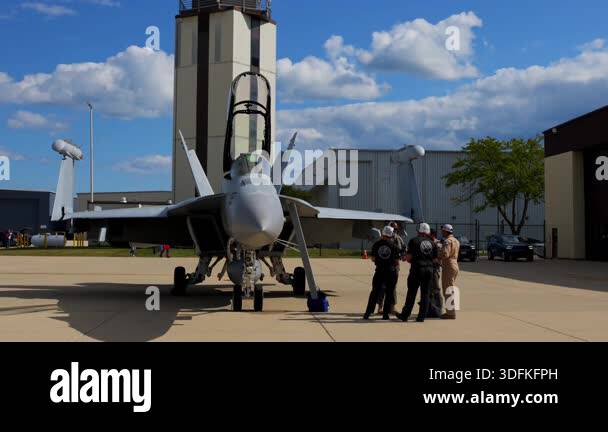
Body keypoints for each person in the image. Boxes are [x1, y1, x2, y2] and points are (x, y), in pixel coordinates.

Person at [396, 223, 438, 323]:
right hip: (429, 270)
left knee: (411, 292)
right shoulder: (433, 243)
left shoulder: (414, 241)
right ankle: (421, 317)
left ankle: (405, 315)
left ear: (418, 231)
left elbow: (409, 258)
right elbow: (435, 260)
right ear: (427, 232)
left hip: (417, 269)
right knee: (425, 294)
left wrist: (410, 259)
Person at [364, 226, 401, 321]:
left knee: (375, 292)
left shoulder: (376, 244)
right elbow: (397, 261)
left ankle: (368, 313)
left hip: (379, 271)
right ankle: (385, 314)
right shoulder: (394, 246)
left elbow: (373, 258)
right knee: (389, 293)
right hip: (391, 271)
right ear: (391, 234)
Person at [377, 221, 406, 315]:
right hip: (382, 266)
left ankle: (392, 307)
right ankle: (380, 307)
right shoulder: (382, 240)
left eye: (396, 229)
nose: (394, 230)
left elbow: (403, 250)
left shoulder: (399, 239)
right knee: (381, 287)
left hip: (394, 267)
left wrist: (402, 256)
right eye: (393, 228)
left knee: (392, 288)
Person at [438, 224, 460, 320]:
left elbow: (445, 254)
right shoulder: (456, 240)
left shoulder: (447, 241)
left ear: (446, 231)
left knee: (448, 289)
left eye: (443, 231)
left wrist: (438, 253)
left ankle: (450, 313)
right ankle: (451, 311)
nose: (442, 232)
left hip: (448, 265)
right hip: (454, 264)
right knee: (450, 287)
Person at [426, 229, 444, 318]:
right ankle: (430, 310)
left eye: (428, 234)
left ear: (432, 235)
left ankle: (439, 309)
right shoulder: (427, 243)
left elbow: (439, 258)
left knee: (436, 289)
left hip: (434, 270)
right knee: (429, 291)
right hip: (427, 269)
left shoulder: (438, 244)